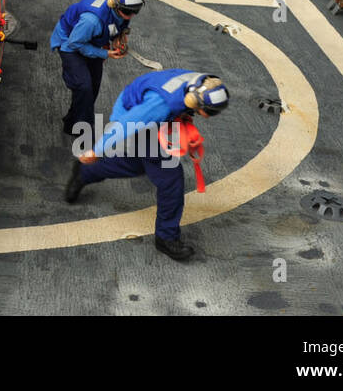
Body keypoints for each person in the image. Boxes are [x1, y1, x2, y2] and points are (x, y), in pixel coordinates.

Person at [63, 69, 230, 261]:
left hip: (149, 114)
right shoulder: (159, 106)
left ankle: (86, 172)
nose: (208, 117)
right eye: (208, 112)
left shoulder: (200, 81)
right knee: (171, 181)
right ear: (194, 101)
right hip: (136, 117)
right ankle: (166, 238)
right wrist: (96, 151)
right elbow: (126, 125)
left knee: (136, 164)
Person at [49, 0, 144, 137]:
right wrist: (105, 54)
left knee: (93, 86)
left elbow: (122, 21)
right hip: (70, 42)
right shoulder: (92, 20)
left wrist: (121, 34)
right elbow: (75, 42)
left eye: (136, 12)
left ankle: (72, 122)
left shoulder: (123, 7)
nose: (131, 15)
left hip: (91, 39)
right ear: (116, 5)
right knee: (83, 86)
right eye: (128, 12)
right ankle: (84, 132)